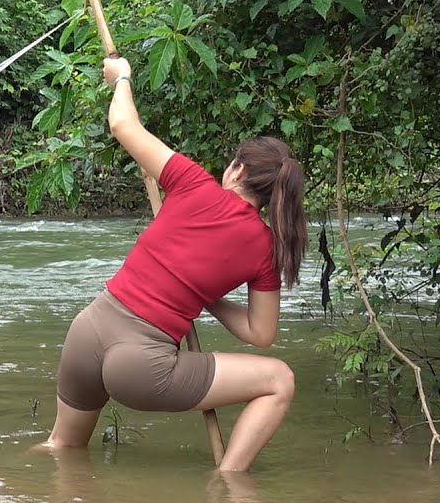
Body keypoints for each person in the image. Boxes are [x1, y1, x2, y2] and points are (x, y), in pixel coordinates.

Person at [44, 56, 306, 473]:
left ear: (236, 170)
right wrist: (209, 299)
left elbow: (122, 126)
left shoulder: (192, 182)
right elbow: (261, 334)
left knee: (62, 451)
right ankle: (230, 485)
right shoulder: (265, 249)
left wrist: (122, 78)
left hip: (89, 330)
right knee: (279, 380)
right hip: (141, 364)